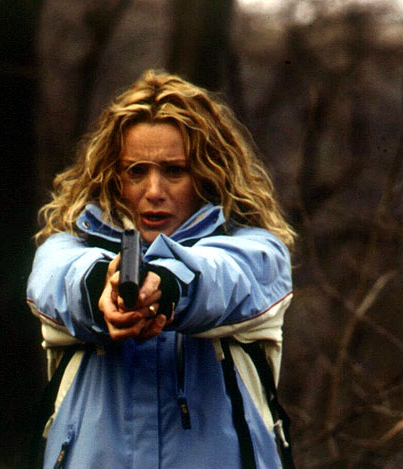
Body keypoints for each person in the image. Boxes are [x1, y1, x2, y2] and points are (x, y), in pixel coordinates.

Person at [26, 70, 295, 468]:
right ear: (113, 176)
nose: (154, 191)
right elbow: (58, 278)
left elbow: (224, 277)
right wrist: (103, 289)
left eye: (174, 171)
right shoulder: (68, 248)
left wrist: (167, 286)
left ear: (207, 172)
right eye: (136, 171)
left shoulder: (256, 250)